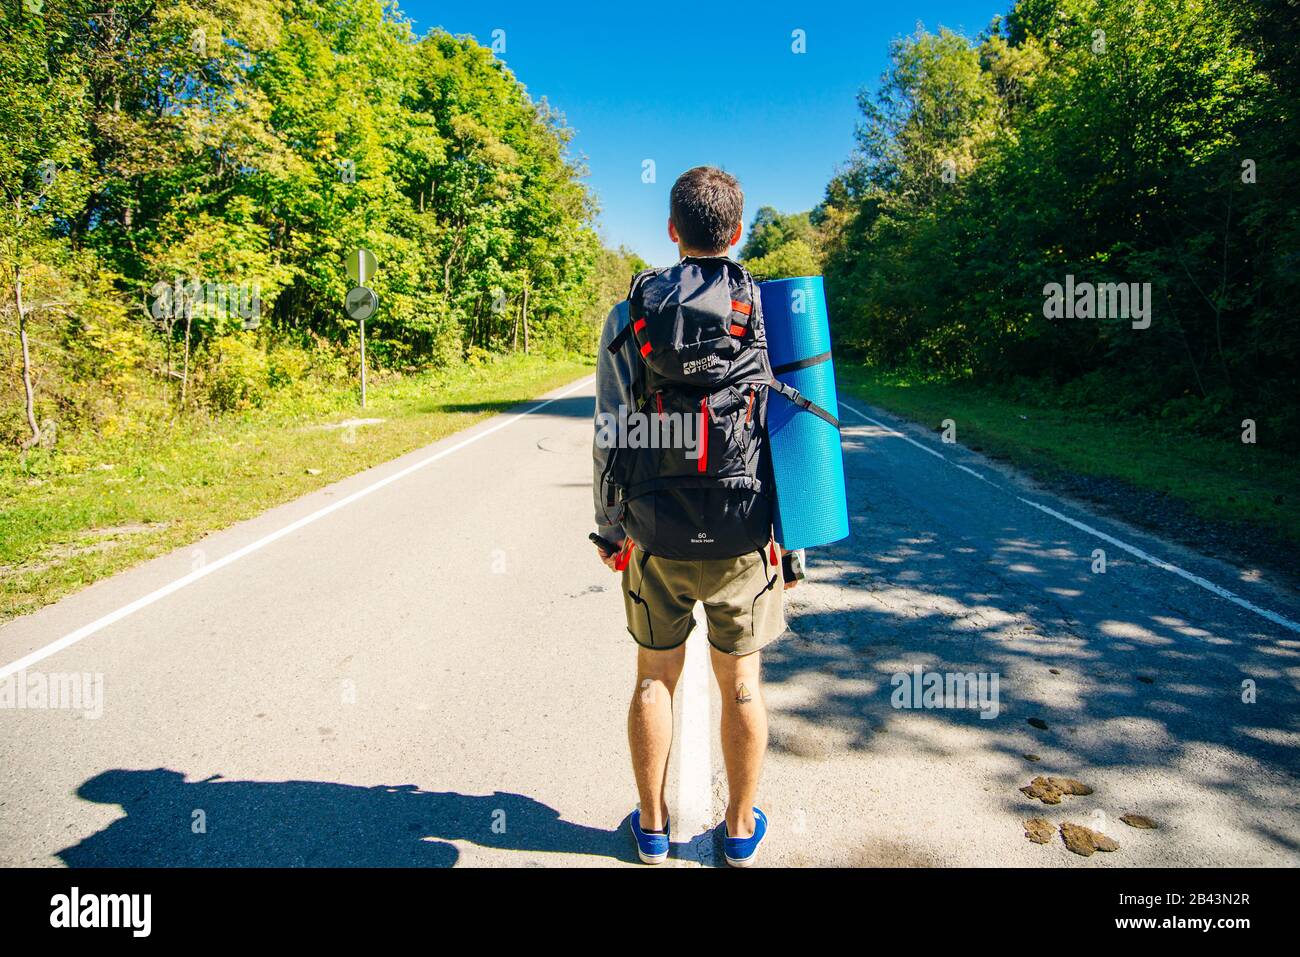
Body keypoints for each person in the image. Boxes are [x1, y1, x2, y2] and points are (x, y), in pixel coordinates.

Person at [591, 166, 796, 867]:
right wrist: (792, 542)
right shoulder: (771, 311)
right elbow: (790, 433)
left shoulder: (630, 316)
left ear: (672, 231)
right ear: (736, 232)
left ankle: (651, 826)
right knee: (742, 683)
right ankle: (739, 830)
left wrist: (611, 526)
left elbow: (611, 429)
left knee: (653, 677)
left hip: (656, 530)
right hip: (744, 531)